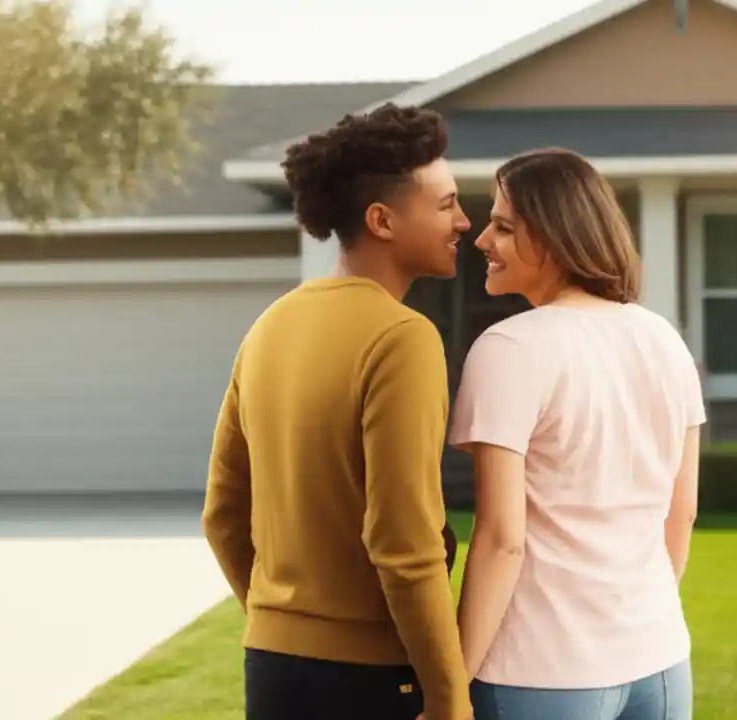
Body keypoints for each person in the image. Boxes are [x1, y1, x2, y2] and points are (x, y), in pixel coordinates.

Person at [201, 103, 473, 720]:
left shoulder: (269, 327)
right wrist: (450, 699)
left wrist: (286, 625)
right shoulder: (403, 338)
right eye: (445, 204)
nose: (463, 220)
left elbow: (222, 515)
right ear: (382, 220)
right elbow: (404, 542)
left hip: (272, 668)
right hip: (370, 682)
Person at [448, 148, 706, 720]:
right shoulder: (662, 338)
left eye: (504, 227)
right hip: (658, 659)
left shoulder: (510, 348)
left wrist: (451, 683)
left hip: (538, 671)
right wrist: (634, 623)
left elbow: (500, 539)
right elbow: (680, 512)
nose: (482, 240)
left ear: (557, 237)